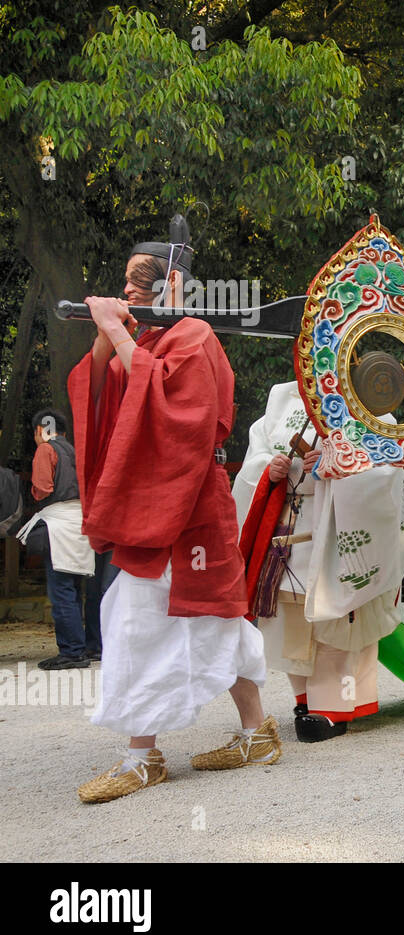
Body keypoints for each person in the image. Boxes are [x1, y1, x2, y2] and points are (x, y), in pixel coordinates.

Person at [66, 217, 277, 803]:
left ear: (174, 284)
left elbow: (175, 409)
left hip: (191, 500)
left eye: (142, 283)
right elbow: (104, 393)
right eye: (126, 284)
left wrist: (120, 333)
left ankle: (142, 757)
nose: (129, 291)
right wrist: (108, 334)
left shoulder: (193, 336)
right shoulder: (150, 335)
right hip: (158, 496)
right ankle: (255, 732)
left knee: (173, 614)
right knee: (188, 615)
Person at [234, 382, 404, 742]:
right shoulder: (282, 396)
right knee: (289, 621)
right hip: (288, 530)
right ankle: (304, 699)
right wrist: (268, 469)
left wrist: (334, 464)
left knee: (337, 623)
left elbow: (385, 468)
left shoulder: (369, 400)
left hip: (340, 530)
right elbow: (256, 452)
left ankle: (336, 706)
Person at [17, 409, 96, 670]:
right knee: (74, 588)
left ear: (40, 430)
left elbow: (42, 490)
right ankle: (82, 647)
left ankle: (71, 651)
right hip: (81, 521)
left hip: (59, 523)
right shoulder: (76, 451)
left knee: (61, 589)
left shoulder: (45, 450)